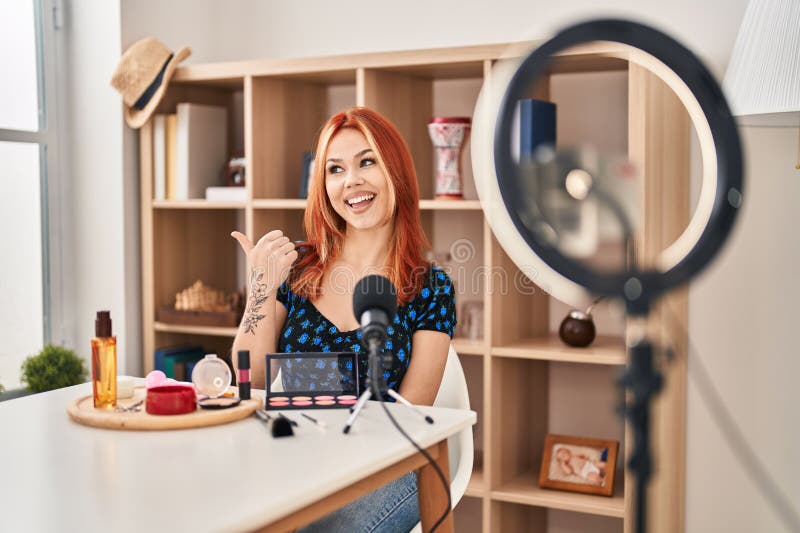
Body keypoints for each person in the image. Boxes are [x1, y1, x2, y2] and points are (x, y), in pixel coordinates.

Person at [231, 107, 456, 533]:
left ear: (397, 172)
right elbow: (250, 378)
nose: (351, 180)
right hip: (293, 454)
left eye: (367, 162)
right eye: (335, 169)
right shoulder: (297, 267)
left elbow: (412, 413)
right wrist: (261, 287)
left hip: (388, 466)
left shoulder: (430, 286)